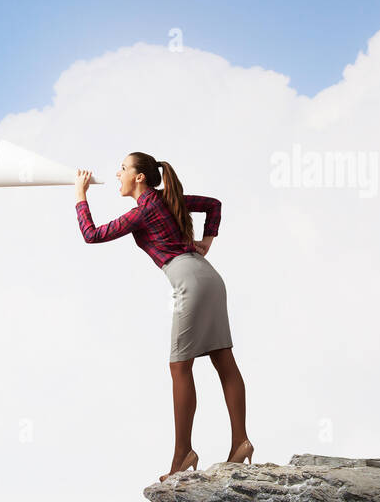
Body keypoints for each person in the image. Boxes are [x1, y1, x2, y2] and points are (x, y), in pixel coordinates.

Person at [74, 153, 254, 482]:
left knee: (179, 367)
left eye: (124, 169)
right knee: (223, 359)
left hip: (188, 280)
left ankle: (183, 453)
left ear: (140, 178)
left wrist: (80, 195)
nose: (118, 173)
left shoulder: (143, 210)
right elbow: (214, 204)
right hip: (209, 277)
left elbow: (93, 234)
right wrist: (207, 242)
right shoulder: (167, 200)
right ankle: (241, 442)